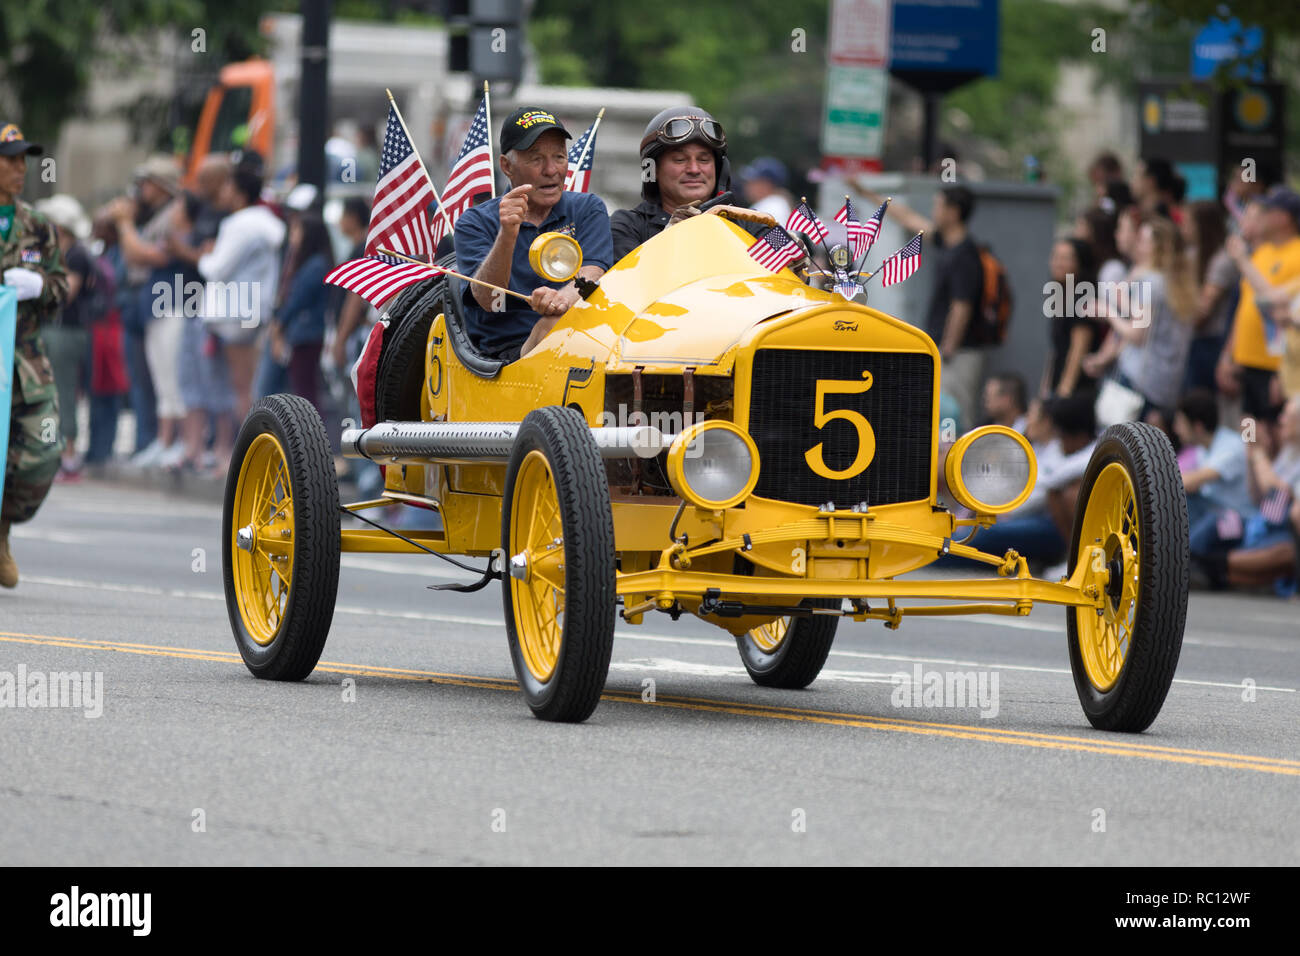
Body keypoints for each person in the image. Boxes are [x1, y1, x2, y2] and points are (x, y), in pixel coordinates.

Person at [455, 107, 613, 362]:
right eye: (536, 158)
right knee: (551, 326)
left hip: (581, 340)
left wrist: (560, 300)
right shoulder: (475, 222)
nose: (551, 170)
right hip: (504, 356)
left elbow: (593, 270)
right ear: (507, 166)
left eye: (559, 156)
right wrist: (507, 233)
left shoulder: (588, 208)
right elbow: (488, 299)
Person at [0, 121, 68, 588]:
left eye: (23, 160)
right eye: (9, 160)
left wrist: (41, 285)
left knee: (42, 451)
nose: (19, 169)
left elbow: (62, 287)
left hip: (23, 362)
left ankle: (0, 529)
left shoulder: (36, 226)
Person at [864, 185, 987, 428]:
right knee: (944, 416)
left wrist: (947, 348)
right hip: (947, 350)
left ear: (953, 212)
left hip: (959, 353)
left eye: (939, 206)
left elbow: (962, 306)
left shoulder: (965, 255)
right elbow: (910, 219)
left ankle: (958, 465)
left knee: (958, 415)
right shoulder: (947, 243)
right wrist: (868, 193)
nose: (934, 210)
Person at [1083, 216, 1198, 427]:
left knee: (1125, 448)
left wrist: (1108, 312)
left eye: (1145, 241)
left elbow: (1137, 334)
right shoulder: (1179, 282)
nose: (1140, 246)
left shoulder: (1152, 281)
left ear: (1157, 248)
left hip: (1140, 380)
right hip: (1167, 381)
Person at [198, 155, 285, 426]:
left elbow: (217, 269)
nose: (222, 192)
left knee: (240, 388)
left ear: (238, 192)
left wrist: (205, 256)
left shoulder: (237, 225)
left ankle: (247, 447)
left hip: (233, 313)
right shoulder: (267, 222)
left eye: (227, 186)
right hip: (254, 309)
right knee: (248, 385)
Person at [1190, 395, 1300, 592]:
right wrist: (1251, 452)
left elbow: (1279, 492)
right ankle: (1194, 562)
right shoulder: (1288, 454)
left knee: (1284, 552)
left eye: (1287, 415)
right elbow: (1258, 496)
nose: (1281, 420)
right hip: (1256, 525)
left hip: (1280, 533)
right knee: (1220, 521)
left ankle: (1203, 566)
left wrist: (1257, 452)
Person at [113, 155, 180, 463]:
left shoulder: (174, 214)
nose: (141, 190)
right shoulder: (151, 215)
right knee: (150, 377)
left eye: (147, 183)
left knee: (169, 377)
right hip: (147, 302)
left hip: (172, 301)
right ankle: (155, 441)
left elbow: (145, 255)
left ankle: (171, 442)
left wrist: (125, 224)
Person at [1217, 188, 1300, 428]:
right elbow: (1246, 306)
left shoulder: (1296, 254)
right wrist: (1227, 355)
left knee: (1273, 436)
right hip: (1247, 363)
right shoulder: (1262, 251)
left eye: (1267, 210)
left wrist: (1279, 373)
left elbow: (1280, 308)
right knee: (1250, 434)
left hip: (1273, 368)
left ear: (1284, 218)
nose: (1260, 216)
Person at [610, 106, 737, 262]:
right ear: (652, 168)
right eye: (680, 160)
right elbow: (624, 280)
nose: (694, 169)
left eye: (703, 160)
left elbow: (775, 276)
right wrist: (667, 241)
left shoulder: (751, 223)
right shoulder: (628, 226)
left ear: (719, 169)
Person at [33, 195, 95, 480]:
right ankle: (54, 449)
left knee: (65, 390)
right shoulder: (53, 252)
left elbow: (65, 293)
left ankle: (68, 452)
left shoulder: (77, 254)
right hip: (52, 329)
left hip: (67, 332)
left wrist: (39, 284)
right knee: (50, 392)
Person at [267, 213, 332, 413]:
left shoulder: (315, 265)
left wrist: (278, 324)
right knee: (303, 388)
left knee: (304, 391)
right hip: (304, 332)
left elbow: (297, 300)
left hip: (306, 333)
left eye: (297, 231)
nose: (292, 236)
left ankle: (311, 437)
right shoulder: (307, 262)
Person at [1174, 389, 1253, 533]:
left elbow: (1190, 481)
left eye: (1181, 423)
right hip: (1212, 511)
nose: (1176, 429)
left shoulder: (1231, 446)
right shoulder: (1202, 448)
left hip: (1239, 520)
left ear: (1198, 427)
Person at [1182, 199, 1236, 394]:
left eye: (1188, 223)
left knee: (1199, 399)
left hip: (1210, 342)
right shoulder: (1193, 254)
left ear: (1202, 226)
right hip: (1195, 339)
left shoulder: (1221, 261)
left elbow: (1204, 310)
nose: (1183, 228)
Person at [1040, 237, 1103, 400]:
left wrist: (1063, 393)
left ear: (1080, 263)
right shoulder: (1060, 297)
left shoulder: (1082, 297)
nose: (1057, 263)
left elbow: (1078, 350)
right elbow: (1056, 350)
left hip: (1079, 392)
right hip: (1057, 389)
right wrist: (1045, 390)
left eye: (1065, 258)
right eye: (1055, 257)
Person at [739, 157, 794, 225]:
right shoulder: (777, 204)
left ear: (766, 185)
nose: (747, 185)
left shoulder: (768, 208)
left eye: (753, 181)